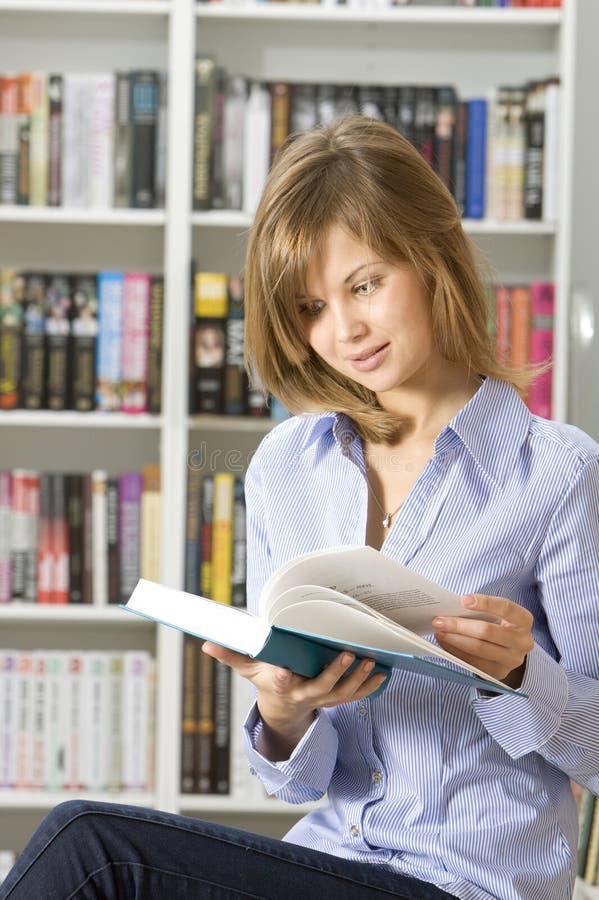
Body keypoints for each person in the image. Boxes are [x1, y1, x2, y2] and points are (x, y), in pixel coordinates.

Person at [1, 116, 597, 900]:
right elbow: (296, 784)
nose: (343, 331)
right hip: (329, 863)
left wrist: (520, 674)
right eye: (310, 307)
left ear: (433, 256)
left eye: (364, 285)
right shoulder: (289, 465)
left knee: (93, 852)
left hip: (467, 885)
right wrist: (281, 707)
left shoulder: (558, 473)